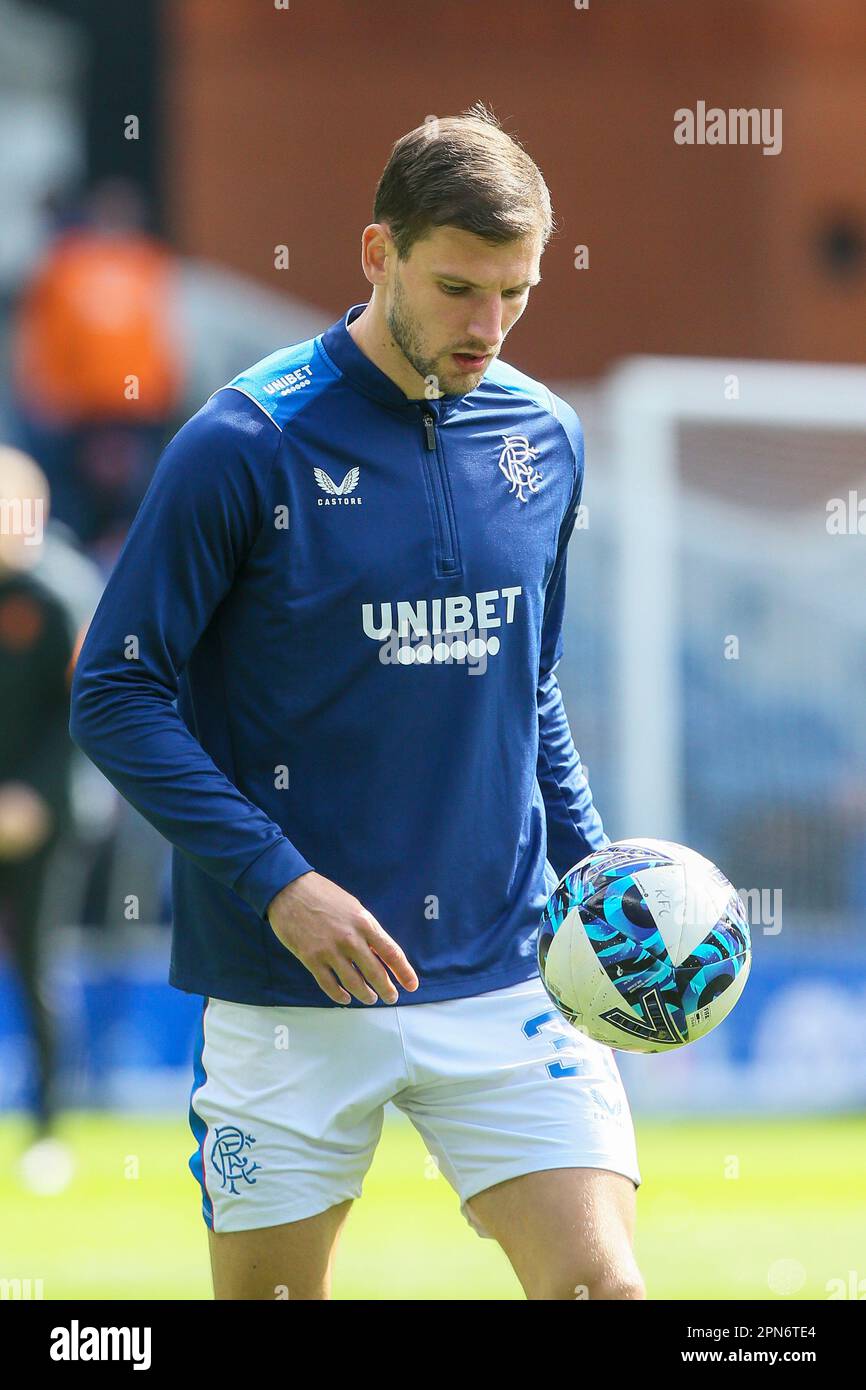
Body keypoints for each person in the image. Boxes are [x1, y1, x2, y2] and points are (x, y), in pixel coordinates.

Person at [69, 102, 644, 1300]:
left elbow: (525, 683)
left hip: (504, 973)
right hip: (288, 989)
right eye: (457, 289)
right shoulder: (244, 441)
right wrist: (281, 883)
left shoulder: (544, 436)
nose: (488, 326)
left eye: (516, 293)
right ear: (377, 253)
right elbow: (116, 691)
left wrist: (592, 879)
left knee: (603, 1289)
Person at [0, 447, 79, 1193]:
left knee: (37, 966)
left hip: (42, 821)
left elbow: (90, 710)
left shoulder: (61, 593)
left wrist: (36, 799)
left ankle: (49, 1127)